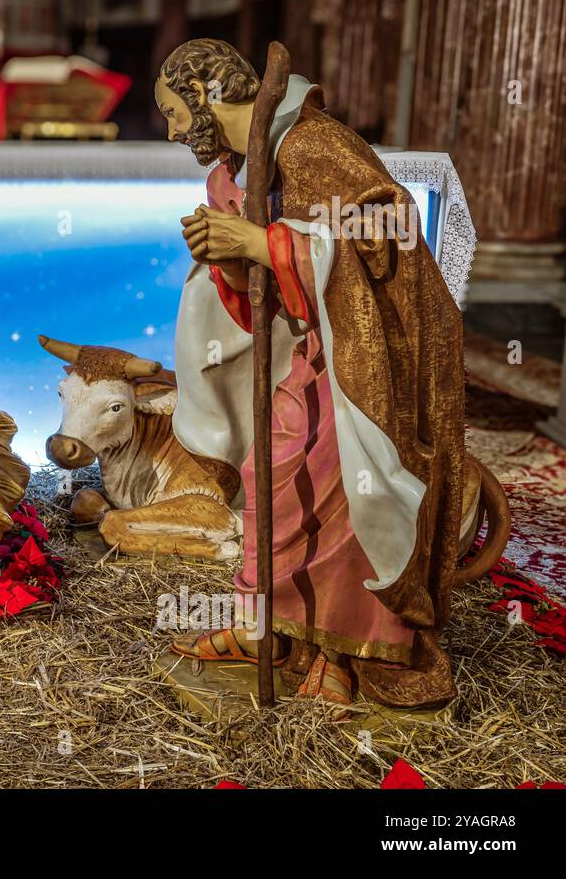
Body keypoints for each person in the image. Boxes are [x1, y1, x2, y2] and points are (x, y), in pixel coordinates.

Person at [155, 39, 465, 708]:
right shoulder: (248, 167)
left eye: (174, 111)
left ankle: (345, 647)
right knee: (271, 473)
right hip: (322, 348)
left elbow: (389, 231)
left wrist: (260, 242)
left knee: (341, 486)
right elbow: (267, 287)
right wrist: (231, 252)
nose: (173, 129)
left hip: (371, 363)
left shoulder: (311, 145)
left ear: (206, 93)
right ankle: (269, 626)